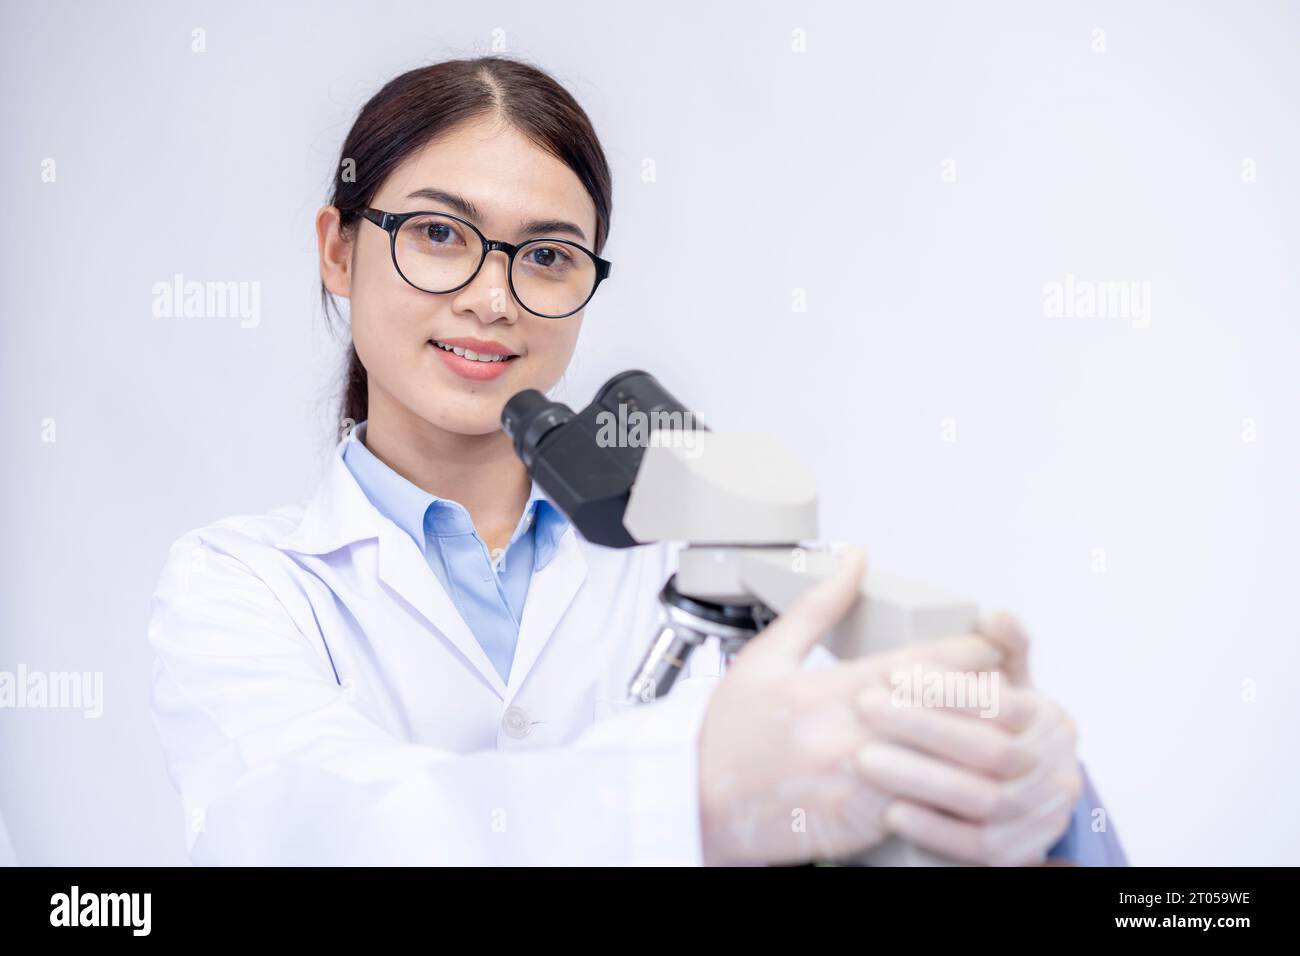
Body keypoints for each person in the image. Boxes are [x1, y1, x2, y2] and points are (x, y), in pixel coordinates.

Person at [146, 55, 1126, 866]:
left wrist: (1040, 802)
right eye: (439, 234)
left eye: (548, 255)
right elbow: (307, 826)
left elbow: (930, 784)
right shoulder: (241, 585)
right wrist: (687, 791)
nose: (494, 296)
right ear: (337, 249)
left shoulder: (699, 556)